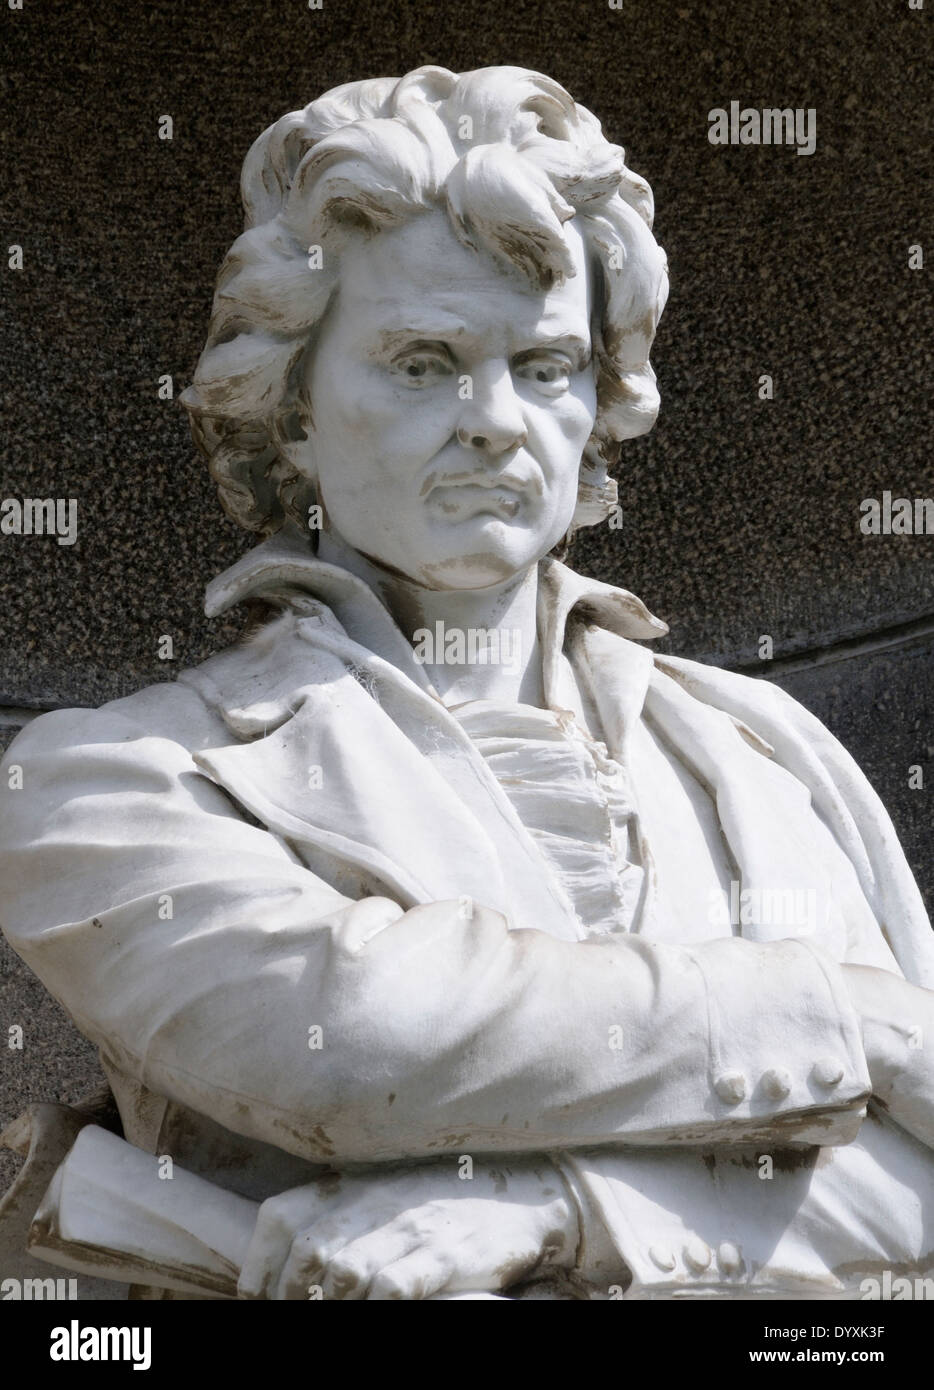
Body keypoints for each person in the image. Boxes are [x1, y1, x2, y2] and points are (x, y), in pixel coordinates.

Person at [1, 65, 932, 1301]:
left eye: (544, 366)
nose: (495, 418)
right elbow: (359, 1038)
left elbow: (914, 1178)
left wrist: (560, 1209)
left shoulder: (770, 752)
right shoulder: (106, 779)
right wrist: (844, 1020)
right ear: (289, 411)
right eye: (424, 361)